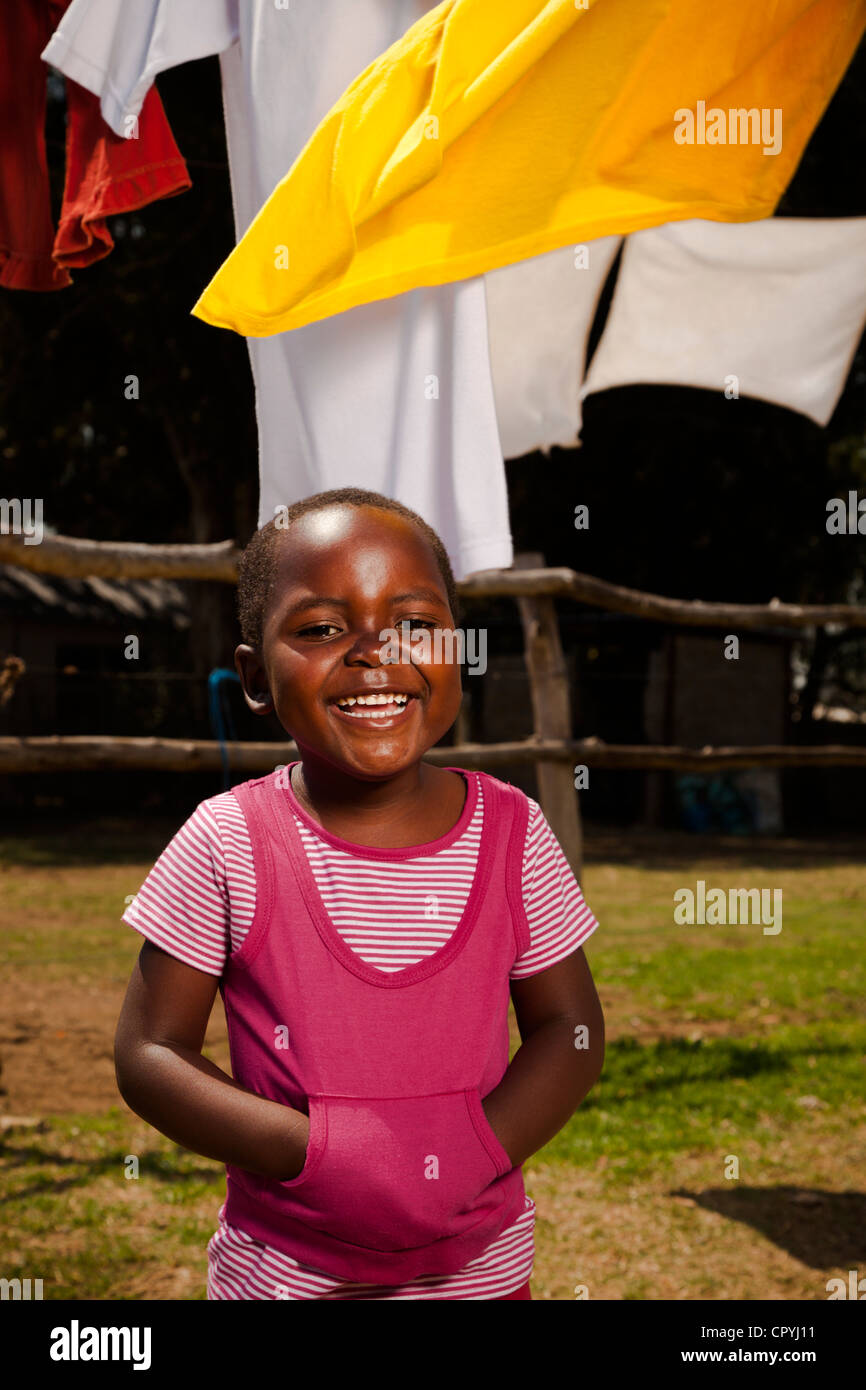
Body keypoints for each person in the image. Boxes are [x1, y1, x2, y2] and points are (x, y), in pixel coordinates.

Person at [114, 487, 605, 1300]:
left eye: (416, 623)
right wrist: (318, 1154)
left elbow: (572, 1026)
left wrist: (481, 1147)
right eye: (320, 629)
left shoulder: (515, 831)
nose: (376, 651)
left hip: (480, 1278)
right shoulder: (226, 840)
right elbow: (149, 1053)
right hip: (282, 1278)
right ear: (254, 677)